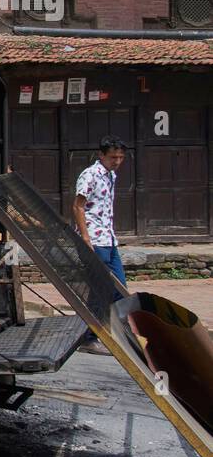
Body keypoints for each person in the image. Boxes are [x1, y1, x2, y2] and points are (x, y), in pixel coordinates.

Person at [73, 134, 128, 354]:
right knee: (101, 289)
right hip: (95, 239)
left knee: (119, 288)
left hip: (109, 238)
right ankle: (90, 337)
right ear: (101, 155)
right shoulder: (90, 175)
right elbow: (78, 206)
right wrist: (85, 238)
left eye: (121, 157)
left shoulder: (111, 175)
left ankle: (109, 331)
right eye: (113, 157)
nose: (117, 161)